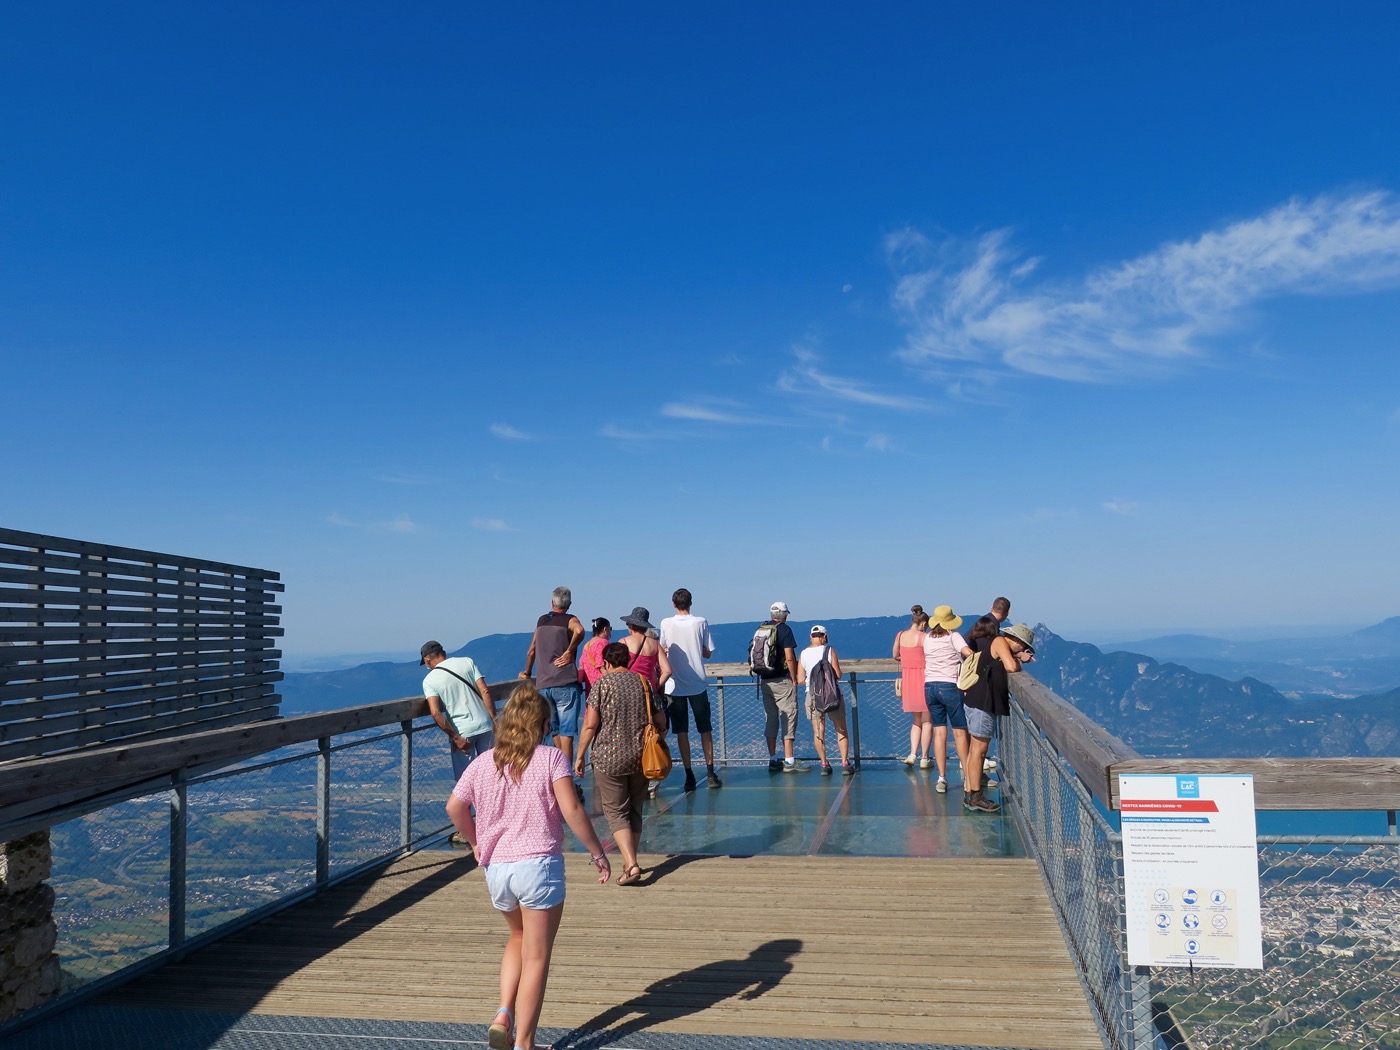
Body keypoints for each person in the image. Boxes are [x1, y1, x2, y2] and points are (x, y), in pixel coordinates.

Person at [447, 684, 611, 1050]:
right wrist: (597, 852)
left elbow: (454, 808)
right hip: (538, 866)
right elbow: (571, 810)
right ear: (541, 723)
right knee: (537, 955)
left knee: (517, 938)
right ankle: (525, 1044)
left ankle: (503, 1013)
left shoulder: (483, 762)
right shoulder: (551, 758)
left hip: (497, 870)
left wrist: (476, 843)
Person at [574, 642, 669, 885]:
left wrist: (580, 754)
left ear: (606, 662)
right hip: (640, 756)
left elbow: (591, 724)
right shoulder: (644, 683)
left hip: (609, 757)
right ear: (627, 660)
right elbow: (660, 719)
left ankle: (632, 864)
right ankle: (629, 863)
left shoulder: (601, 686)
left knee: (616, 812)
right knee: (635, 809)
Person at [421, 640, 496, 846]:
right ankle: (493, 823)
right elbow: (485, 691)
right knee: (491, 776)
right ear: (443, 653)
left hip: (463, 734)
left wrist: (455, 737)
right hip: (485, 726)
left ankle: (469, 830)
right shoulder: (467, 662)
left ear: (428, 660)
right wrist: (493, 719)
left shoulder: (430, 679)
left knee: (466, 783)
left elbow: (436, 713)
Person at [960, 616, 1034, 814]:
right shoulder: (1000, 641)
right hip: (982, 703)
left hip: (976, 701)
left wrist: (1017, 658)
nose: (1022, 650)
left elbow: (1002, 663)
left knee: (975, 750)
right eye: (1023, 646)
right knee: (979, 751)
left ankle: (970, 792)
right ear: (1016, 640)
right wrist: (1018, 662)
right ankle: (976, 796)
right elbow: (1010, 667)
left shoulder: (998, 645)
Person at [519, 587, 585, 787]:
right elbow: (580, 631)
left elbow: (531, 651)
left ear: (552, 603)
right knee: (567, 731)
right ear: (569, 604)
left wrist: (527, 673)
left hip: (543, 684)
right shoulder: (570, 619)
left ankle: (557, 776)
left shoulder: (541, 621)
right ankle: (567, 780)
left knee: (553, 729)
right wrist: (570, 650)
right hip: (565, 682)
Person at [658, 587, 720, 792]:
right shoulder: (700, 622)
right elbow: (708, 652)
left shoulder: (666, 623)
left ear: (674, 604)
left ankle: (689, 775)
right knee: (705, 729)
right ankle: (710, 773)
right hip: (697, 683)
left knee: (681, 732)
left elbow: (663, 648)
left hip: (674, 686)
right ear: (690, 603)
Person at [921, 606, 972, 794]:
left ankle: (941, 778)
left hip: (929, 687)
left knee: (939, 733)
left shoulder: (926, 638)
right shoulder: (953, 636)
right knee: (960, 733)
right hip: (950, 686)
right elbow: (967, 652)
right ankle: (968, 776)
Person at [797, 625, 853, 775]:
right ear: (824, 636)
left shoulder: (803, 654)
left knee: (818, 730)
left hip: (813, 695)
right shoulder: (829, 651)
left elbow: (800, 679)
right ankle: (845, 763)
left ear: (811, 636)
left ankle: (824, 763)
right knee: (840, 728)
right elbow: (838, 674)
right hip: (832, 694)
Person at [756, 601, 805, 773]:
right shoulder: (785, 630)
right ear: (784, 614)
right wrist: (794, 677)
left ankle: (773, 759)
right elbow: (790, 657)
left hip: (765, 680)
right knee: (789, 717)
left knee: (770, 718)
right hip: (783, 681)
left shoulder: (762, 628)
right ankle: (789, 760)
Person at [892, 606, 932, 768]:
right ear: (923, 624)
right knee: (927, 721)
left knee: (916, 721)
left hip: (908, 679)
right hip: (924, 678)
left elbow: (895, 655)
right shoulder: (924, 637)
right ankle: (925, 758)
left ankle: (912, 753)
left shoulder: (900, 635)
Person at [619, 607, 668, 695]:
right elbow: (667, 671)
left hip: (628, 689)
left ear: (631, 625)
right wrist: (655, 687)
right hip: (648, 690)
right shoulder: (655, 644)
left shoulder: (624, 642)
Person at [578, 617, 611, 696]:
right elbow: (601, 665)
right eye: (610, 629)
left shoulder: (587, 645)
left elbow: (581, 666)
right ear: (605, 629)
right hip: (602, 686)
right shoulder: (603, 643)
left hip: (590, 687)